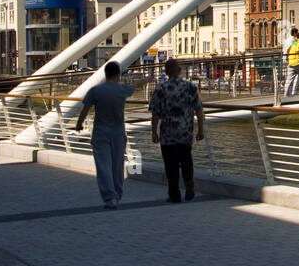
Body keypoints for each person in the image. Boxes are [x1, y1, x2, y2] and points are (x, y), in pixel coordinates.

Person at [75, 60, 136, 209]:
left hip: (100, 132)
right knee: (117, 165)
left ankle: (109, 197)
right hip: (118, 132)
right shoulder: (122, 90)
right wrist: (146, 80)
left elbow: (85, 109)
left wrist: (79, 123)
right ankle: (117, 192)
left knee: (103, 166)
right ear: (118, 75)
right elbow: (133, 87)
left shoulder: (95, 90)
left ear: (105, 74)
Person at [150, 58, 205, 203]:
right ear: (179, 71)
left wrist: (153, 132)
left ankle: (174, 193)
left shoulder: (160, 89)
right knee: (186, 160)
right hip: (185, 132)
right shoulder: (190, 87)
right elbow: (199, 110)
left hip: (167, 134)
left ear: (166, 72)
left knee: (170, 165)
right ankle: (189, 187)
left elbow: (155, 114)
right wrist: (200, 130)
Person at [282, 26, 299, 97]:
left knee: (289, 77)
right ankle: (293, 92)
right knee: (296, 75)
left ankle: (286, 92)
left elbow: (284, 49)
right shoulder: (294, 40)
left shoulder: (286, 40)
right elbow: (294, 49)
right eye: (297, 33)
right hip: (291, 59)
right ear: (295, 33)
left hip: (285, 59)